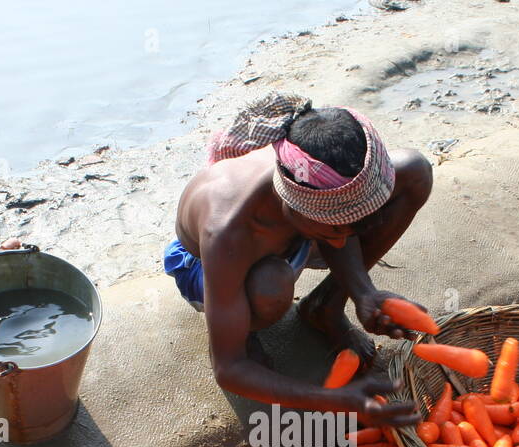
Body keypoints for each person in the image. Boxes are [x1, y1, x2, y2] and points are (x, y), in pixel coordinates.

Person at [166, 93, 433, 427]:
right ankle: (243, 325)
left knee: (416, 170)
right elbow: (228, 369)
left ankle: (324, 307)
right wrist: (332, 399)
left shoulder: (318, 189)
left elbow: (343, 228)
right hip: (209, 266)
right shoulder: (228, 232)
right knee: (270, 286)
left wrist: (364, 292)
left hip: (299, 234)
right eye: (337, 228)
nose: (344, 240)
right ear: (295, 205)